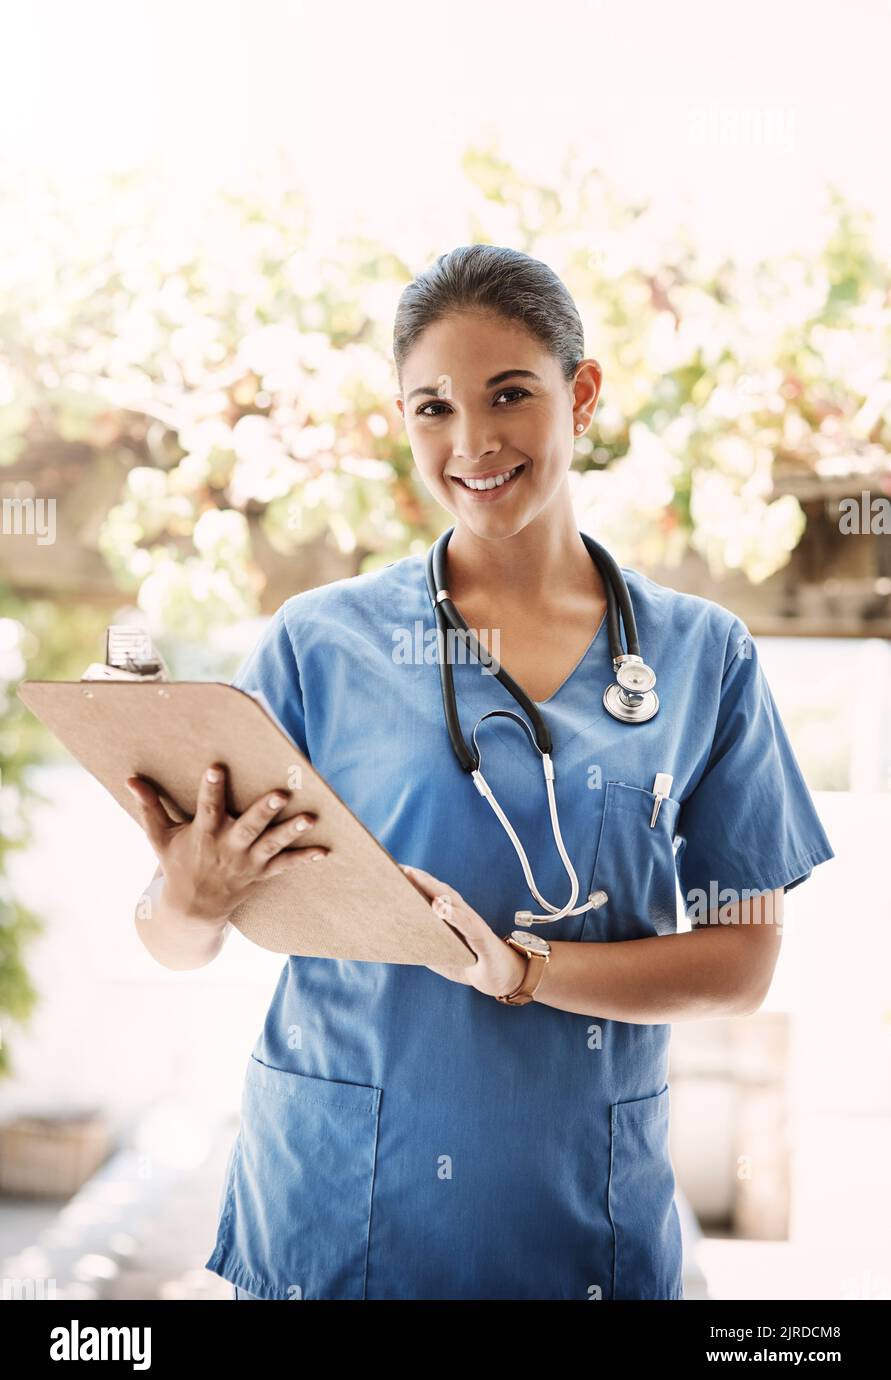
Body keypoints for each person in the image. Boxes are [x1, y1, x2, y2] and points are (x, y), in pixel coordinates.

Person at [130, 244, 835, 1301]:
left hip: (576, 1213)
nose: (473, 442)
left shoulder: (704, 657)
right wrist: (188, 897)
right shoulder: (319, 643)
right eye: (433, 408)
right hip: (338, 1205)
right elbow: (174, 938)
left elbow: (741, 963)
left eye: (511, 394)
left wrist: (527, 971)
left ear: (581, 394)